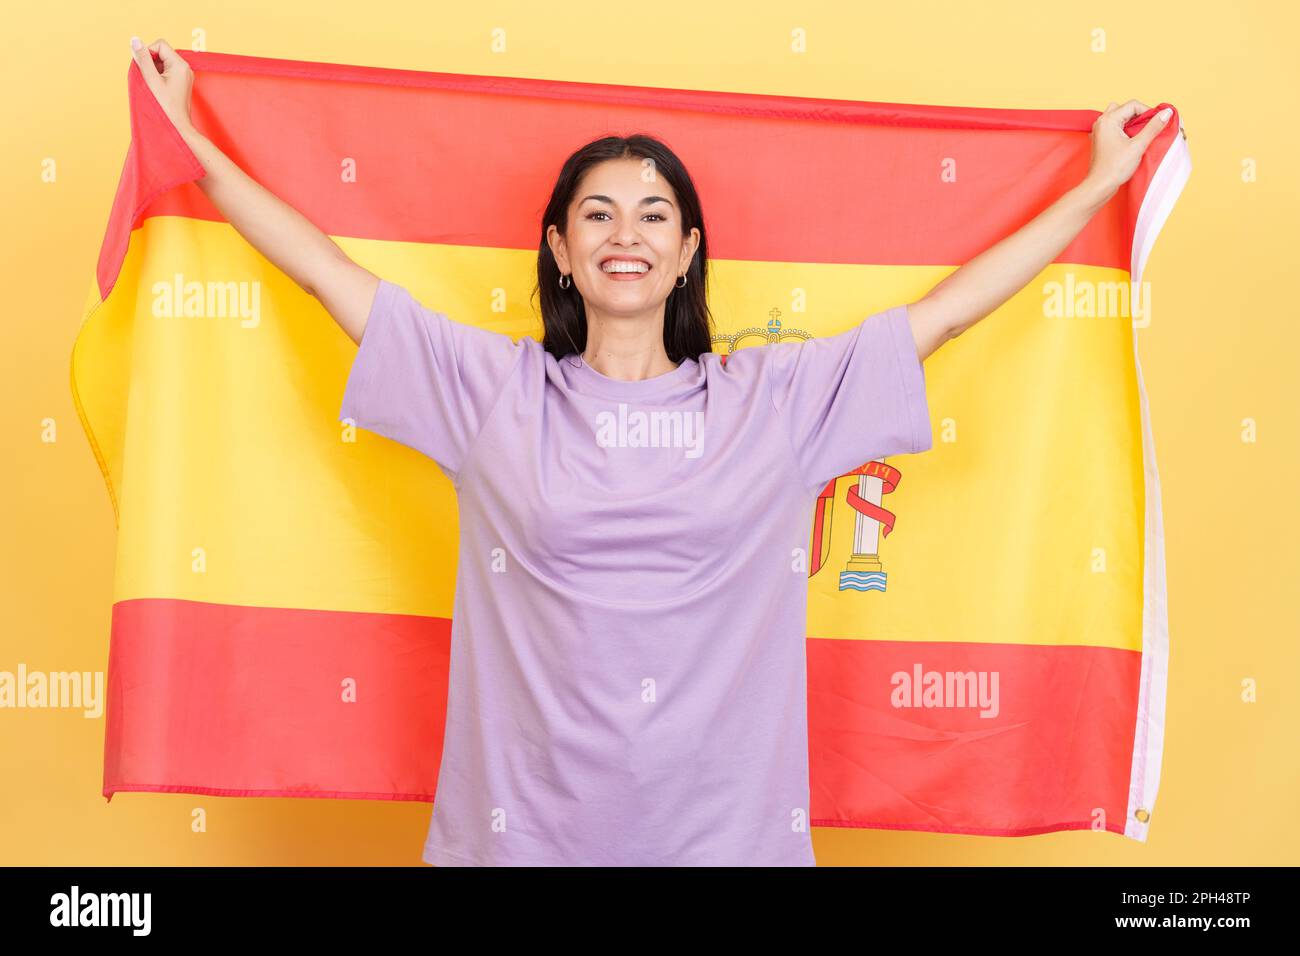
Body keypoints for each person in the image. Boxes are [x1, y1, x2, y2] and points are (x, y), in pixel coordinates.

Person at [130, 36, 1173, 866]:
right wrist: (190, 141)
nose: (623, 233)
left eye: (652, 215)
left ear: (685, 255)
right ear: (559, 248)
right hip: (518, 847)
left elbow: (946, 314)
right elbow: (322, 272)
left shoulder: (774, 404)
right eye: (596, 213)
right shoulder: (490, 393)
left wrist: (1094, 187)